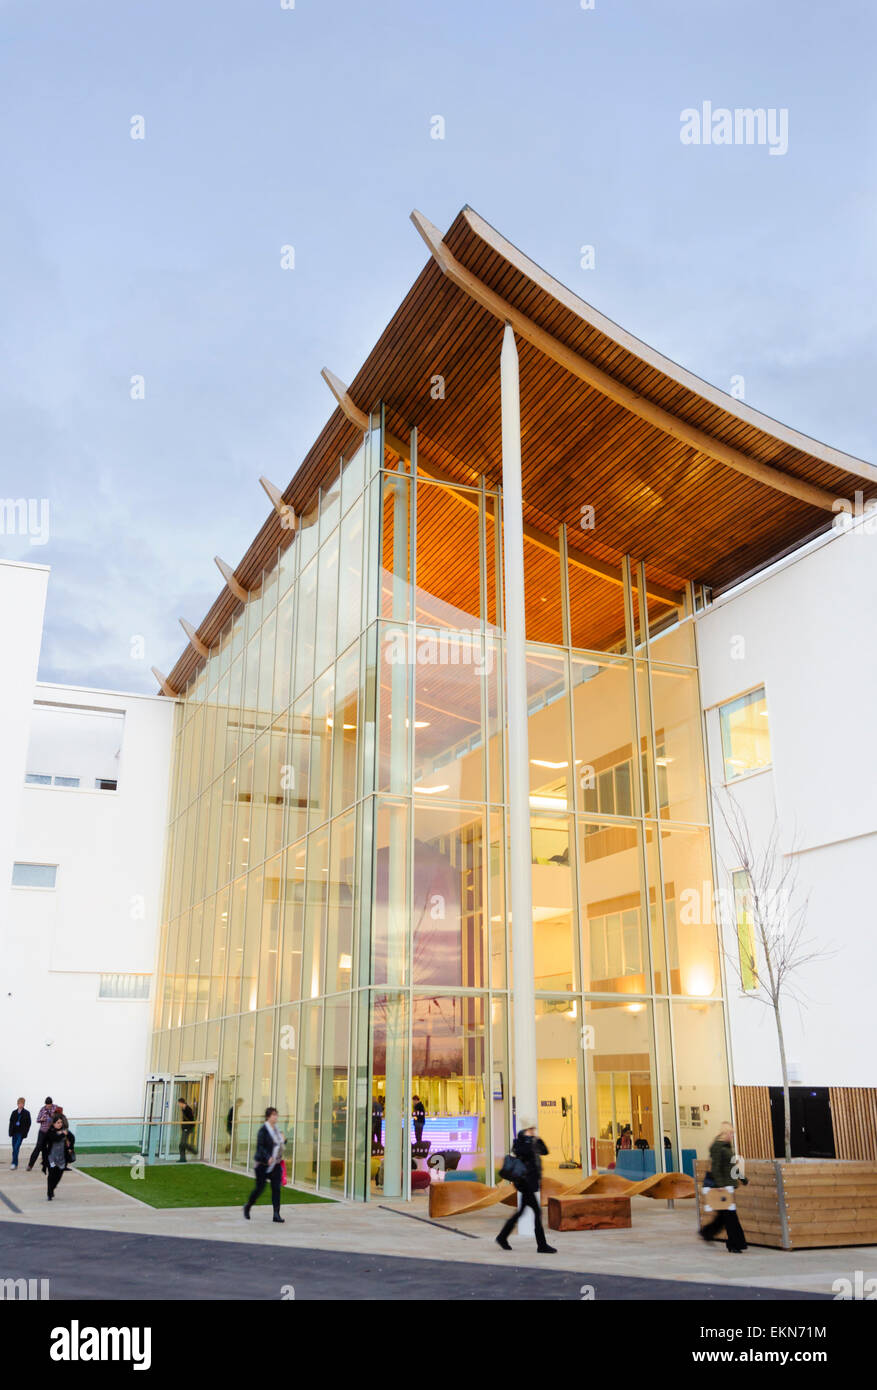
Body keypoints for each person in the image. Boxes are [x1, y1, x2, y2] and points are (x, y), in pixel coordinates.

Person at [496, 1119, 557, 1254]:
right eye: (530, 1129)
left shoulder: (533, 1142)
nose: (533, 1132)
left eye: (533, 1129)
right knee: (537, 1212)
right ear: (524, 1130)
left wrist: (536, 1140)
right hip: (525, 1183)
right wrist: (529, 1140)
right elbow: (522, 1152)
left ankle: (502, 1237)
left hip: (530, 1182)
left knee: (521, 1212)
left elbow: (545, 1151)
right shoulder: (520, 1142)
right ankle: (541, 1245)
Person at [700, 1121, 748, 1253]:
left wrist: (743, 1178)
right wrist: (720, 1185)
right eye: (731, 1133)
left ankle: (707, 1233)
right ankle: (735, 1243)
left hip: (728, 1185)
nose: (732, 1136)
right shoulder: (718, 1147)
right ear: (725, 1133)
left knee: (724, 1216)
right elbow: (715, 1168)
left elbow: (731, 1166)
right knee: (730, 1216)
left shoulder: (726, 1146)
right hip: (722, 1186)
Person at [243, 1107, 285, 1223]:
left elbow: (279, 1144)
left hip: (275, 1164)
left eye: (276, 1114)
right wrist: (268, 1157)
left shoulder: (277, 1130)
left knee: (276, 1188)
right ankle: (248, 1206)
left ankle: (276, 1214)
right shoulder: (263, 1131)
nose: (275, 1117)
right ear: (268, 1117)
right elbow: (260, 1147)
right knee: (260, 1188)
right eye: (273, 1115)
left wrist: (284, 1140)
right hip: (262, 1164)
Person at [45, 1113, 74, 1201]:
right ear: (53, 1123)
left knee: (58, 1176)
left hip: (62, 1159)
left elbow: (72, 1138)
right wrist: (62, 1134)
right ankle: (49, 1192)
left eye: (61, 1122)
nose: (60, 1124)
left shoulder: (65, 1131)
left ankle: (53, 1188)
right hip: (52, 1159)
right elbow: (55, 1138)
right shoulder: (50, 1131)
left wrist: (70, 1147)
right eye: (58, 1122)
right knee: (52, 1175)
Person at [27, 1098, 57, 1174]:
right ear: (45, 1104)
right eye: (47, 1106)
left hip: (51, 1132)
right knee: (38, 1147)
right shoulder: (42, 1109)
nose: (48, 1107)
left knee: (51, 1148)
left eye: (50, 1106)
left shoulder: (56, 1108)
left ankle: (52, 1165)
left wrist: (54, 1117)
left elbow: (60, 1117)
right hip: (42, 1132)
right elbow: (37, 1120)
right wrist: (41, 1119)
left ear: (52, 1104)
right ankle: (30, 1165)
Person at [8, 1098, 31, 1170]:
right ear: (17, 1104)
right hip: (14, 1132)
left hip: (21, 1133)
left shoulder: (27, 1113)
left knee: (16, 1147)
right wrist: (10, 1132)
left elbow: (29, 1123)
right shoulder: (14, 1112)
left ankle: (13, 1164)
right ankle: (15, 1163)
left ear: (24, 1104)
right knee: (14, 1149)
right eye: (19, 1103)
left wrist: (25, 1132)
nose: (21, 1105)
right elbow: (11, 1123)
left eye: (22, 1103)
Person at [177, 1097, 196, 1162]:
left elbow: (192, 1119)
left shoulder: (188, 1109)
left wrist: (190, 1128)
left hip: (187, 1128)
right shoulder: (183, 1109)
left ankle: (193, 1150)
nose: (179, 1105)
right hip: (184, 1127)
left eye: (179, 1103)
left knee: (183, 1143)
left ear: (181, 1103)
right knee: (181, 1144)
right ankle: (183, 1158)